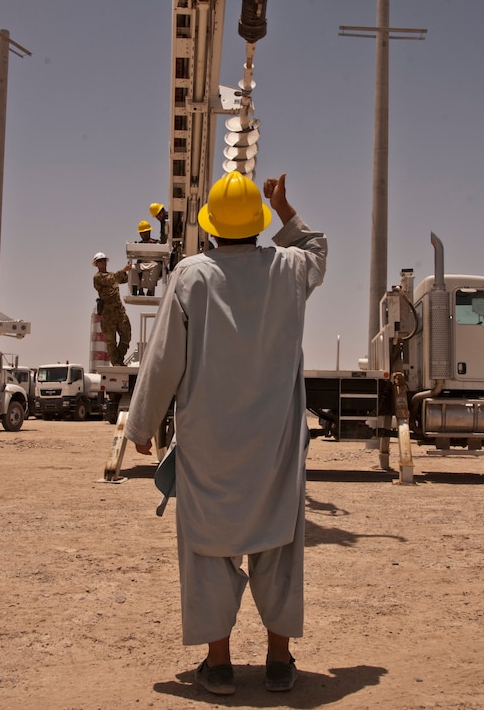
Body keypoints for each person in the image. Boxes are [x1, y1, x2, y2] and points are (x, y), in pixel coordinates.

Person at [125, 171, 327, 696]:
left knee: (208, 549)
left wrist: (142, 425)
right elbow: (317, 246)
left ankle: (218, 666)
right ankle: (280, 663)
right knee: (279, 546)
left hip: (208, 444)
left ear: (209, 227)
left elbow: (163, 356)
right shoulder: (288, 269)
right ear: (257, 226)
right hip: (275, 444)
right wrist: (283, 207)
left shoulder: (191, 276)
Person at [92, 253, 132, 366]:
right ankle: (116, 363)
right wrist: (124, 270)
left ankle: (118, 360)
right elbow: (112, 279)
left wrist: (132, 271)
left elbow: (123, 279)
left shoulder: (112, 275)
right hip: (108, 314)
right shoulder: (98, 277)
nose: (103, 262)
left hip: (119, 312)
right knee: (111, 341)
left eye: (104, 260)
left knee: (126, 336)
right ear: (96, 264)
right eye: (100, 261)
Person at [132, 221, 162, 297]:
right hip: (142, 265)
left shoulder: (156, 242)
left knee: (155, 266)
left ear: (150, 232)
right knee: (132, 268)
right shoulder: (138, 244)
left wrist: (154, 245)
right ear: (140, 234)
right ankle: (140, 290)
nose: (144, 234)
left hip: (153, 265)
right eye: (142, 233)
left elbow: (163, 252)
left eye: (146, 232)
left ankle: (150, 290)